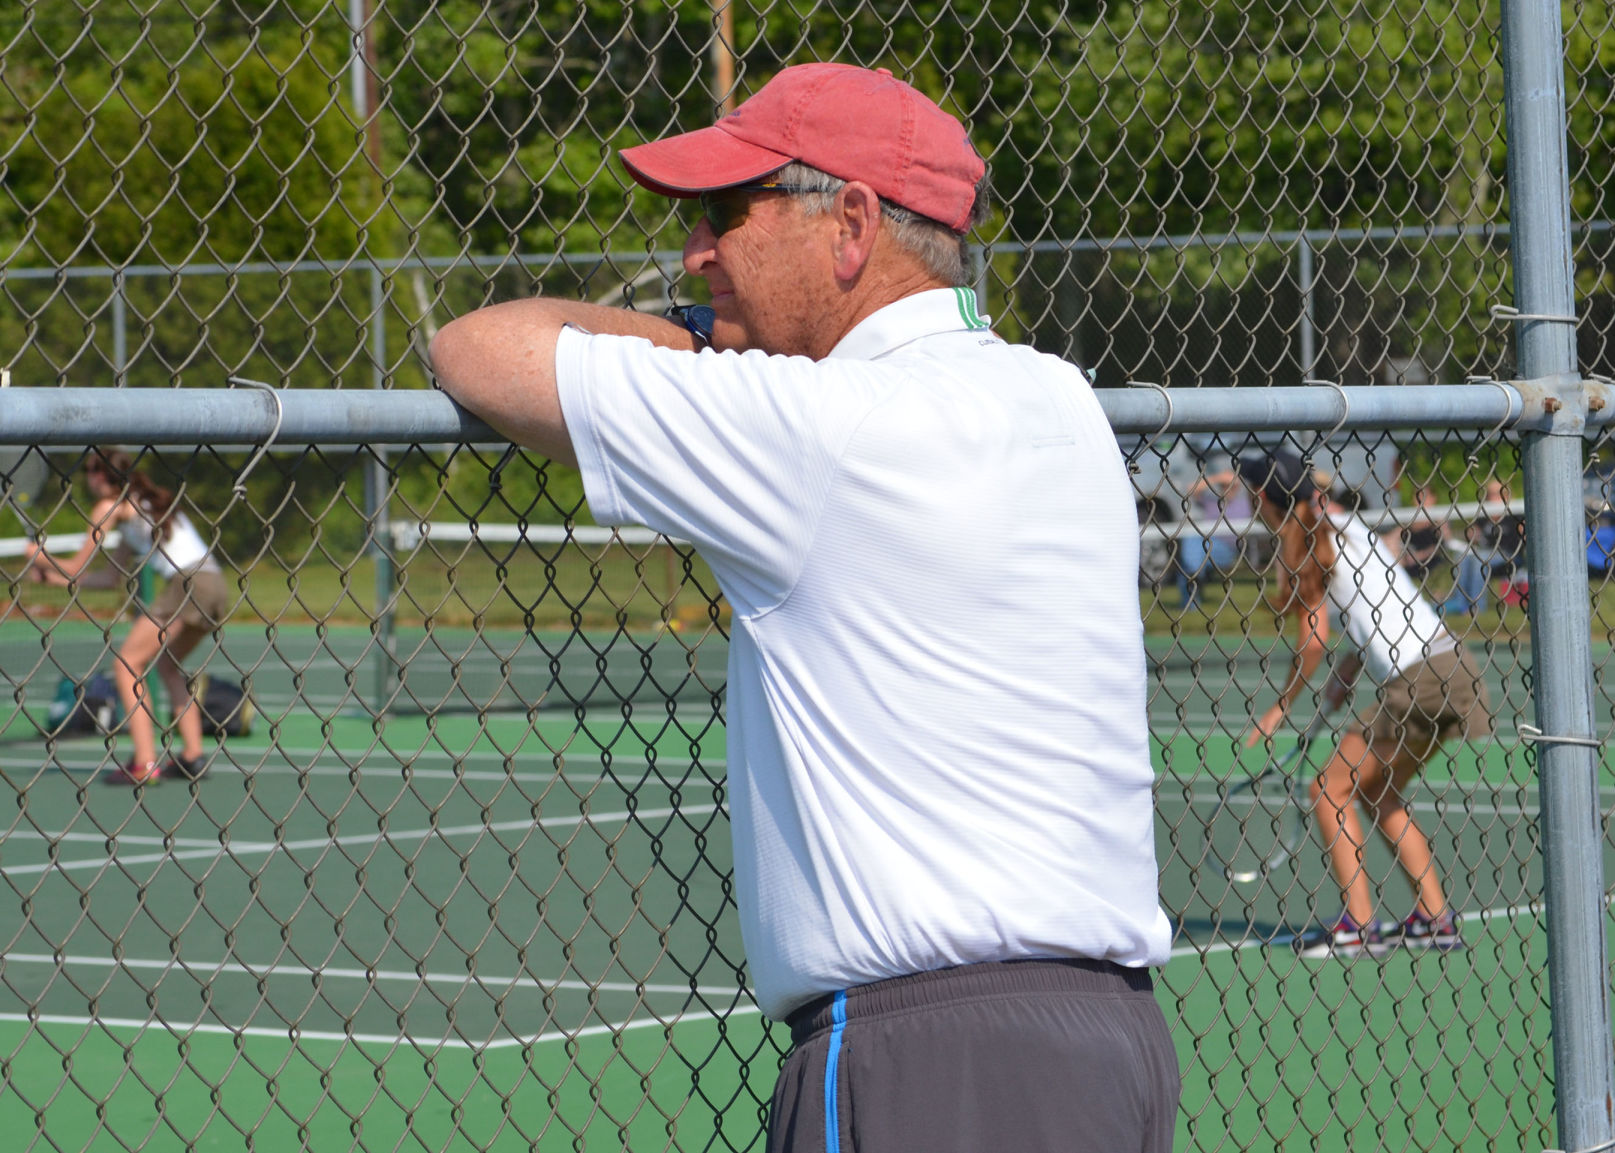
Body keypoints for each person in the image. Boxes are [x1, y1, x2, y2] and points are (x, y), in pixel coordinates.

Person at [429, 62, 1178, 1152]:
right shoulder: (1056, 396)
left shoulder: (814, 427)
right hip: (1111, 1044)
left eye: (725, 215)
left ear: (851, 225)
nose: (696, 252)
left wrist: (695, 336)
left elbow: (476, 347)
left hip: (923, 1064)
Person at [1239, 450, 1492, 957]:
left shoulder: (1305, 542)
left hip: (1417, 679)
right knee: (1378, 794)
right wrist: (1346, 674)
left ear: (1264, 498)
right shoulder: (1344, 524)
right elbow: (1372, 604)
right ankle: (1435, 919)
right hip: (1454, 669)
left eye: (1248, 492)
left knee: (1329, 789)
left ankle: (1358, 925)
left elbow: (1313, 640)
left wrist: (1280, 707)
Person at [26, 447, 230, 786]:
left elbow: (78, 564)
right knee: (167, 665)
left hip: (186, 582)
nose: (87, 479)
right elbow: (107, 579)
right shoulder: (144, 506)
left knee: (127, 664)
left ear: (101, 475)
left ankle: (145, 762)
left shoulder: (110, 506)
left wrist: (35, 553)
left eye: (90, 470)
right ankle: (193, 756)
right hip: (215, 584)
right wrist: (54, 578)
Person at [1441, 480, 1524, 614]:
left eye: (1498, 493)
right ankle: (1460, 603)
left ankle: (1476, 607)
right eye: (1489, 494)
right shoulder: (1484, 515)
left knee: (1480, 558)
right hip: (1486, 553)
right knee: (1462, 557)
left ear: (1507, 495)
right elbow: (1473, 536)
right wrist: (1471, 534)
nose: (1492, 498)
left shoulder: (1515, 513)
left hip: (1510, 556)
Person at [1174, 468, 1248, 610]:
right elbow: (1189, 490)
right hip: (1205, 545)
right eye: (1225, 485)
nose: (1228, 489)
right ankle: (1194, 573)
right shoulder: (1212, 501)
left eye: (1232, 485)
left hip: (1227, 549)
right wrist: (1217, 478)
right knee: (1192, 542)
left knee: (1191, 552)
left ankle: (1194, 573)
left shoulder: (1245, 503)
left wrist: (1233, 479)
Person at [1395, 484, 1454, 583]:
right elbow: (1392, 538)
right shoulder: (1408, 521)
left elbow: (1446, 543)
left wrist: (1418, 556)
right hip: (1406, 561)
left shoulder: (1438, 519)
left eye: (1424, 496)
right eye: (1417, 497)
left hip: (1431, 562)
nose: (1420, 501)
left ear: (1433, 498)